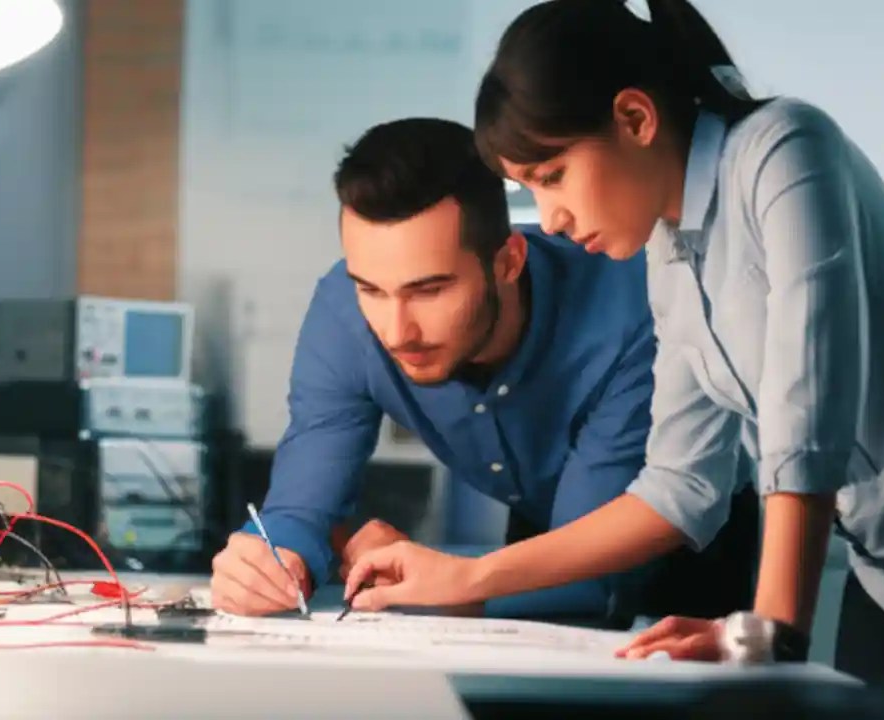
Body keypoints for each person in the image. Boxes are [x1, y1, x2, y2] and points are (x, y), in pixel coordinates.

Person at [341, 1, 884, 716]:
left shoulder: (785, 148)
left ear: (634, 119)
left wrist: (769, 630)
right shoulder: (669, 252)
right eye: (529, 190)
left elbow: (808, 407)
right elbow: (680, 488)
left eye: (552, 175)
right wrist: (467, 578)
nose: (549, 216)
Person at [210, 116, 761, 624]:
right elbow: (300, 503)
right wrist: (268, 557)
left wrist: (438, 574)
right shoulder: (342, 310)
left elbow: (592, 588)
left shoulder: (632, 316)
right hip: (530, 531)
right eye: (371, 289)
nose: (397, 330)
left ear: (508, 262)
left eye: (431, 290)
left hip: (688, 545)